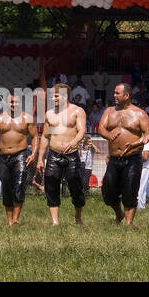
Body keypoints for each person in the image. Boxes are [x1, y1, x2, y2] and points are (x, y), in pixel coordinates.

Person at [97, 83, 149, 226]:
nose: (114, 96)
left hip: (133, 158)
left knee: (130, 190)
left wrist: (141, 141)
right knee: (108, 191)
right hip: (114, 158)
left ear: (127, 96)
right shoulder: (109, 111)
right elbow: (101, 128)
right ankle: (119, 214)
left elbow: (148, 133)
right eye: (114, 93)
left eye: (117, 93)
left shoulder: (140, 113)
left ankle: (128, 223)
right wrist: (109, 135)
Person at [35, 84, 88, 226]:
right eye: (52, 96)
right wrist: (40, 159)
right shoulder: (49, 114)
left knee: (75, 186)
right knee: (51, 184)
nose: (53, 98)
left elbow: (82, 130)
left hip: (71, 155)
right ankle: (55, 222)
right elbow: (45, 137)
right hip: (53, 154)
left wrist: (74, 142)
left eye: (56, 96)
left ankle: (78, 217)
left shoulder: (77, 111)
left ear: (65, 96)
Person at [0, 93, 37, 226]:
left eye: (16, 102)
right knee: (6, 185)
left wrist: (33, 153)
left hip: (20, 155)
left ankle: (16, 218)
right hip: (4, 157)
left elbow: (35, 136)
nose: (14, 104)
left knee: (19, 183)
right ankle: (10, 221)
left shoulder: (26, 118)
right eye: (11, 102)